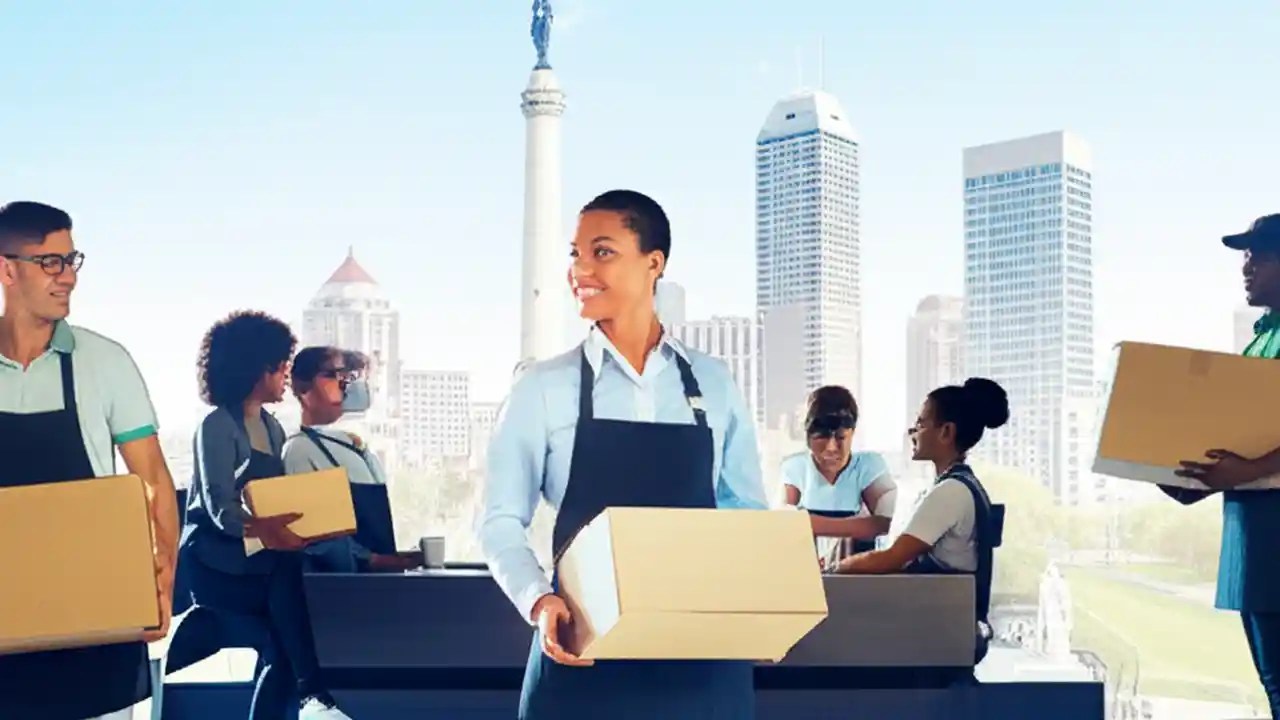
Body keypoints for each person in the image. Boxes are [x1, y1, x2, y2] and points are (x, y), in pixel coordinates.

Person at [478, 189, 769, 720]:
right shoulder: (541, 389)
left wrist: (754, 608)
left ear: (653, 263)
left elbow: (745, 514)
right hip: (581, 657)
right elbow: (499, 522)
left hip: (701, 664)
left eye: (602, 252)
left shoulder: (714, 384)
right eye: (575, 253)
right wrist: (540, 602)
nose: (580, 269)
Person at [0, 201, 179, 720]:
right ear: (7, 269)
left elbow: (153, 479)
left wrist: (160, 583)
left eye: (72, 260)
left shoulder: (106, 362)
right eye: (50, 263)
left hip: (96, 614)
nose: (68, 277)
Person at [178, 311, 351, 720]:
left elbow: (274, 497)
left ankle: (311, 691)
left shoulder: (273, 428)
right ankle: (315, 690)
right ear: (255, 370)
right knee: (288, 574)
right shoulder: (216, 426)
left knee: (281, 649)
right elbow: (220, 506)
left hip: (257, 559)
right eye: (279, 366)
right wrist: (267, 532)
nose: (285, 375)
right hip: (214, 562)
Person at [1165, 214, 1280, 718]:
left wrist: (1246, 470)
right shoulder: (1260, 339)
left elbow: (1255, 459)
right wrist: (1194, 478)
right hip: (1252, 537)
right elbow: (1244, 441)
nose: (1246, 267)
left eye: (1258, 255)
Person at [833, 377, 1009, 665]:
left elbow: (892, 559)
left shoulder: (951, 492)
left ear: (946, 432)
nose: (912, 431)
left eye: (921, 423)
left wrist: (834, 570)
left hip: (942, 632)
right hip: (945, 626)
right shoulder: (962, 485)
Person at [282, 346, 419, 573]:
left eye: (350, 376)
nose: (346, 383)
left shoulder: (356, 444)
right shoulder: (300, 449)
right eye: (334, 374)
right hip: (343, 585)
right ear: (301, 387)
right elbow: (314, 536)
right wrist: (371, 559)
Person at [781, 385, 897, 568]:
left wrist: (807, 524)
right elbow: (782, 524)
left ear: (853, 433)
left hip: (858, 578)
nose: (831, 448)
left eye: (841, 438)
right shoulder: (795, 467)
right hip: (807, 578)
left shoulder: (869, 466)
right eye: (821, 438)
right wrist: (861, 526)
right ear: (808, 436)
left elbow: (888, 522)